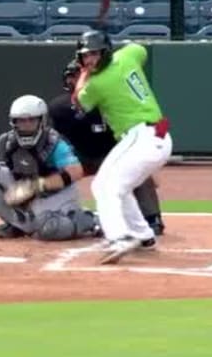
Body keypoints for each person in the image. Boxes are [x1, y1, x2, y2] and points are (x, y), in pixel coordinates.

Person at [70, 29, 173, 264]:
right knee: (116, 186)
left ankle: (119, 238)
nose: (89, 60)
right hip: (152, 137)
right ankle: (143, 236)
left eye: (94, 54)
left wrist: (84, 74)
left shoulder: (98, 84)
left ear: (105, 52)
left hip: (141, 137)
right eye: (86, 56)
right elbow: (139, 49)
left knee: (105, 188)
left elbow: (78, 101)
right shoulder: (128, 56)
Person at [48, 57, 166, 236]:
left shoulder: (109, 100)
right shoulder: (59, 107)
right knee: (52, 173)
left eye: (78, 75)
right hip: (79, 158)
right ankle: (53, 215)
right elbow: (56, 139)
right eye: (72, 76)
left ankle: (152, 219)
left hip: (110, 153)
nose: (74, 80)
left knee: (141, 173)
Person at [0, 95, 102, 241]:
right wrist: (19, 189)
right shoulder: (6, 142)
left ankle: (88, 219)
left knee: (50, 229)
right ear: (14, 122)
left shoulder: (54, 142)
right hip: (26, 188)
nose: (26, 125)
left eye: (31, 120)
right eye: (21, 121)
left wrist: (38, 185)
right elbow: (5, 167)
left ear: (41, 121)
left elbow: (76, 171)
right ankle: (19, 225)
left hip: (56, 195)